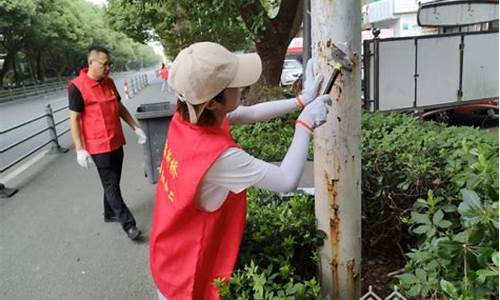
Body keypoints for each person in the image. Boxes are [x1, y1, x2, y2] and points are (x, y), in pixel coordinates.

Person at [149, 42, 330, 299]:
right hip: (184, 274)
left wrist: (301, 100)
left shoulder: (186, 118)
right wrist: (305, 125)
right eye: (235, 84)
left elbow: (250, 112)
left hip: (168, 253)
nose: (242, 87)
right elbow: (287, 180)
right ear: (213, 103)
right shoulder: (219, 158)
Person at [68, 46, 147, 241]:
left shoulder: (109, 82)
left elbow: (119, 107)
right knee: (111, 184)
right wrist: (79, 149)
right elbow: (75, 119)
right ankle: (129, 224)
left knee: (113, 181)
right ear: (91, 63)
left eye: (109, 64)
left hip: (116, 141)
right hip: (97, 146)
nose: (108, 68)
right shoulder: (77, 87)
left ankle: (109, 212)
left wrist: (136, 128)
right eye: (105, 64)